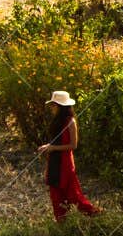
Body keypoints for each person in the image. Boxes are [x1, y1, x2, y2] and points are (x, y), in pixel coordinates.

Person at [39, 89, 102, 222]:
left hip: (65, 163)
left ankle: (97, 216)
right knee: (56, 196)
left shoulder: (70, 122)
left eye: (54, 105)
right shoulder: (57, 121)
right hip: (54, 161)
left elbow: (73, 145)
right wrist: (47, 148)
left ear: (61, 106)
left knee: (74, 196)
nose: (52, 108)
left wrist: (52, 148)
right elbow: (56, 142)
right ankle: (62, 224)